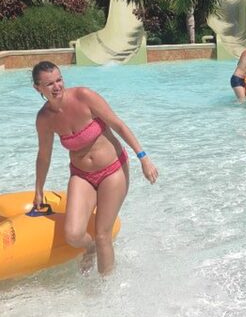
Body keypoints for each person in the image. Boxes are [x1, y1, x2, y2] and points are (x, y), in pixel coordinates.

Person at [31, 61, 158, 275]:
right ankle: (89, 248)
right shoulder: (44, 119)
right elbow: (44, 156)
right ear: (38, 88)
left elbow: (118, 124)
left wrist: (143, 157)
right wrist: (39, 190)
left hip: (112, 169)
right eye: (49, 83)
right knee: (72, 234)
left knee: (102, 235)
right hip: (81, 175)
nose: (57, 87)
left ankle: (105, 294)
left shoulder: (83, 96)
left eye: (59, 80)